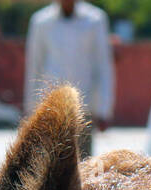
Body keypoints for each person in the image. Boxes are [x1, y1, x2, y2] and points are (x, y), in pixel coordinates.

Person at [24, 0, 114, 157]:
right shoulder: (41, 21)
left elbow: (103, 65)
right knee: (51, 164)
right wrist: (31, 109)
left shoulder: (95, 20)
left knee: (83, 164)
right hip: (51, 108)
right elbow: (34, 66)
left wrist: (104, 108)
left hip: (83, 108)